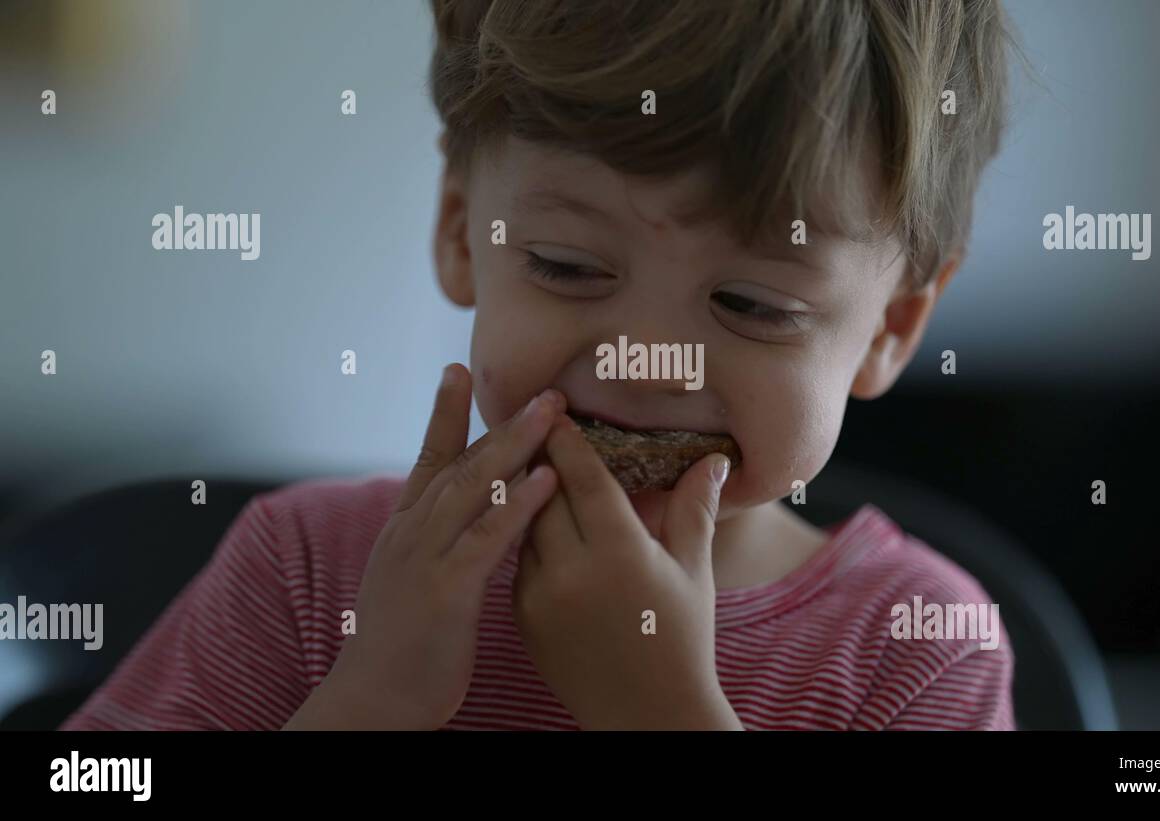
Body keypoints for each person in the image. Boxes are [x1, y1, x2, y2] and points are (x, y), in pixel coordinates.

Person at [63, 0, 1018, 731]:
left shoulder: (917, 651)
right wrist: (366, 704)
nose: (645, 363)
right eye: (568, 266)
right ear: (458, 234)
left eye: (753, 306)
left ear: (893, 324)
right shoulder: (308, 577)